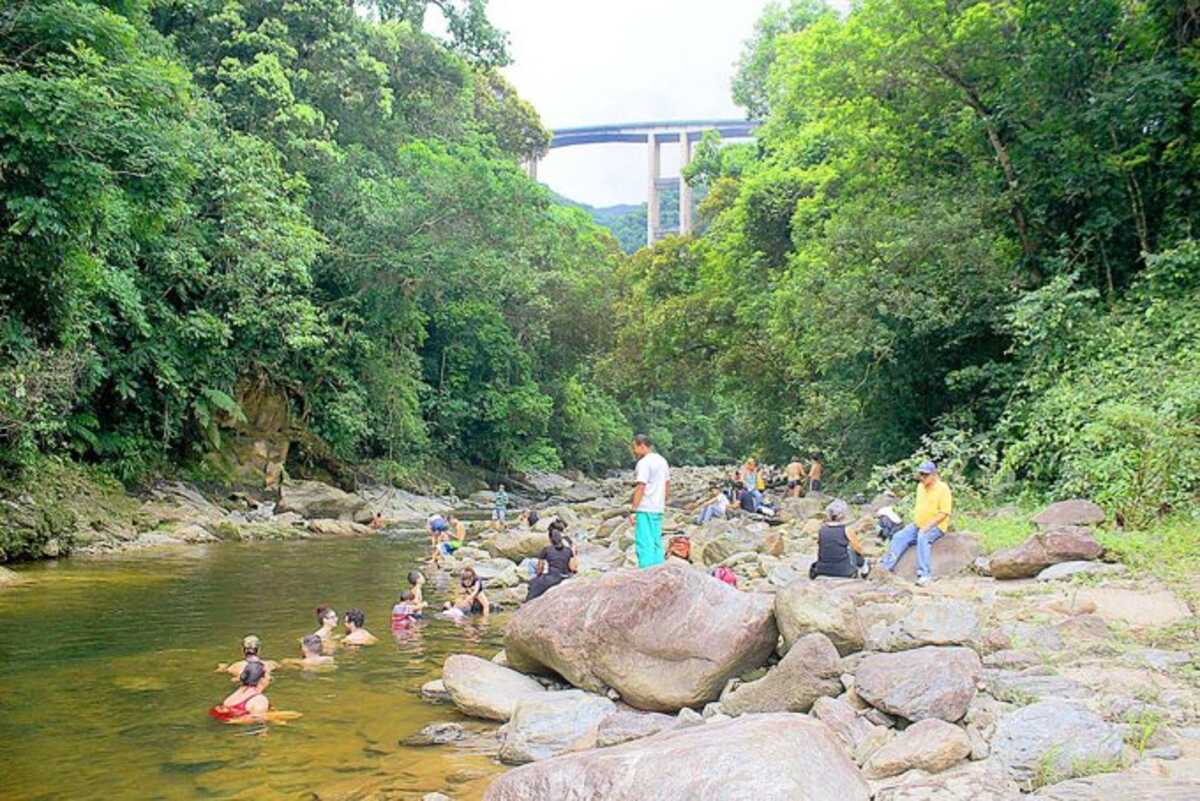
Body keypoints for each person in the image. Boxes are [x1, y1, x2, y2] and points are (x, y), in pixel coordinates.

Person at [880, 461, 952, 587]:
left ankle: (925, 574)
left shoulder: (943, 489)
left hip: (936, 526)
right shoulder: (920, 487)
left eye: (925, 475)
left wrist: (927, 527)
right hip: (917, 524)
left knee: (922, 537)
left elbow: (944, 513)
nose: (922, 477)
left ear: (934, 475)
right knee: (898, 536)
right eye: (921, 474)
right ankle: (886, 566)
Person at [629, 434, 670, 568]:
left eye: (634, 447)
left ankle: (646, 573)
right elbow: (667, 483)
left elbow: (641, 486)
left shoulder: (644, 463)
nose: (634, 451)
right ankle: (658, 570)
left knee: (644, 543)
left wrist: (633, 510)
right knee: (656, 542)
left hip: (645, 508)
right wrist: (663, 501)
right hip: (657, 508)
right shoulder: (662, 460)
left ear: (642, 445)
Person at [810, 499, 869, 579]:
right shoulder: (846, 530)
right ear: (843, 515)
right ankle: (864, 571)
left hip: (822, 569)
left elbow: (821, 544)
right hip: (844, 571)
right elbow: (859, 549)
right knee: (853, 550)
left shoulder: (822, 530)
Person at [526, 522, 578, 601]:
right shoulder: (568, 549)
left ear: (550, 539)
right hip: (565, 576)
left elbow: (540, 569)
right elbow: (572, 568)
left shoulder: (546, 549)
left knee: (531, 569)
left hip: (552, 578)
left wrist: (538, 577)